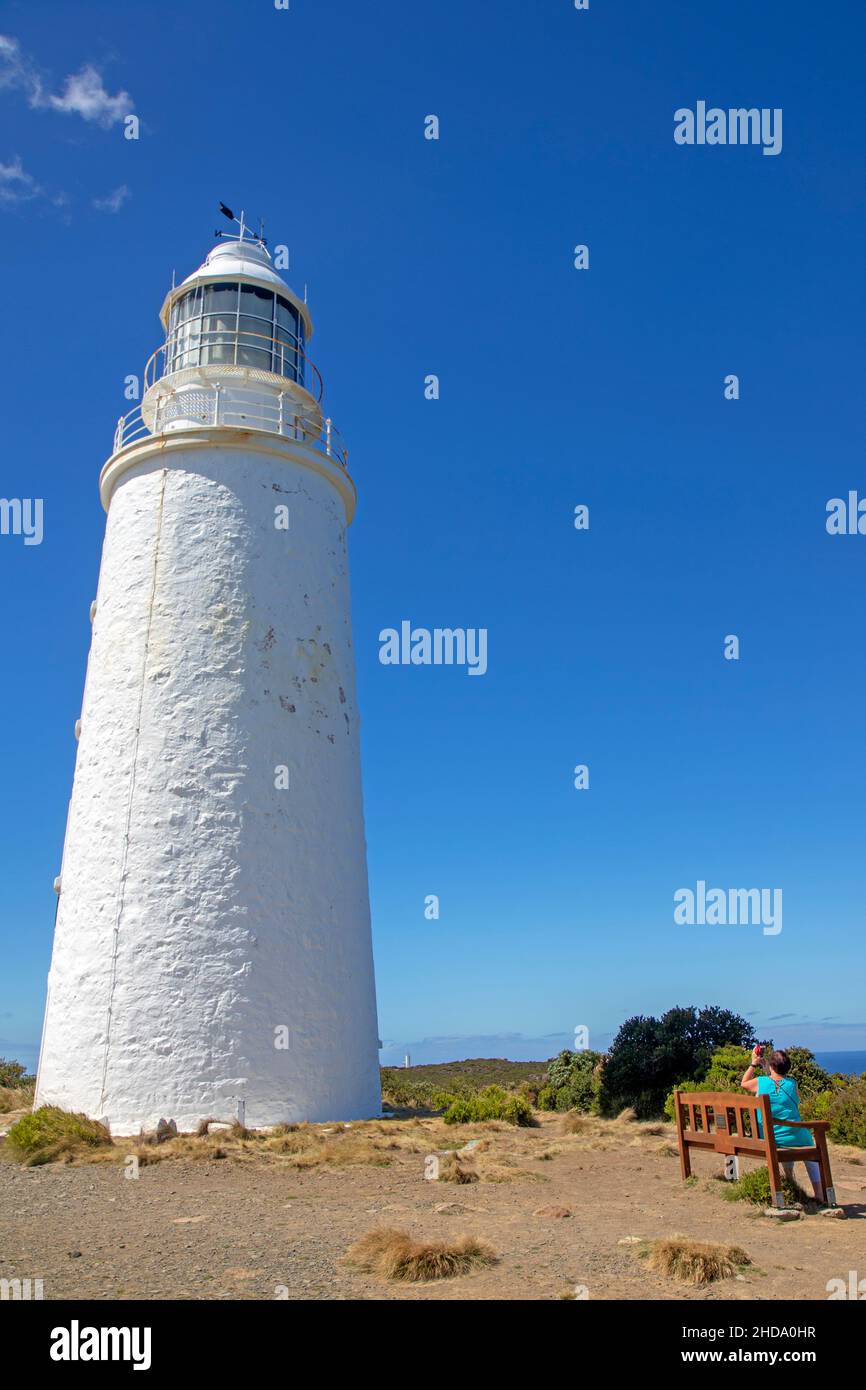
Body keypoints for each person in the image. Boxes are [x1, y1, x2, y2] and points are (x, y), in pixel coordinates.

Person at [740, 1046, 824, 1202]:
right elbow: (794, 1098)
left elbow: (744, 1083)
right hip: (796, 1137)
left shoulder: (761, 1082)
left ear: (771, 1066)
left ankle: (790, 1181)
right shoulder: (792, 1084)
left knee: (783, 1138)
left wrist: (754, 1064)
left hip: (771, 1138)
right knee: (810, 1151)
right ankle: (819, 1194)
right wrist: (768, 1069)